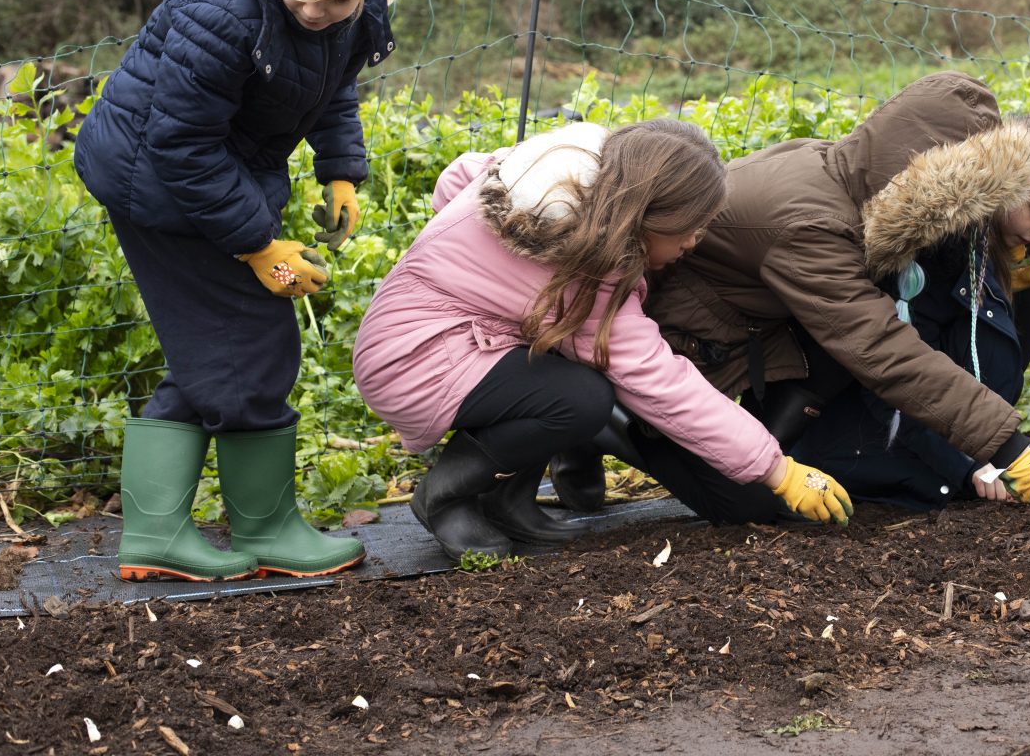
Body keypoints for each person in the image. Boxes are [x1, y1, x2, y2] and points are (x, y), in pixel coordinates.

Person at [74, 0, 400, 582]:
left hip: (218, 174)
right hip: (154, 181)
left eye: (339, 0)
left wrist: (340, 169)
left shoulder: (355, 10)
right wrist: (258, 243)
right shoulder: (218, 10)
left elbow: (332, 89)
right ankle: (268, 529)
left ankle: (156, 535)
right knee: (252, 339)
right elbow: (180, 147)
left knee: (213, 349)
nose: (316, 11)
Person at [553, 72, 1030, 517]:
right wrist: (1004, 444)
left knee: (776, 463)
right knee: (746, 505)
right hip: (677, 345)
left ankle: (681, 435)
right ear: (928, 173)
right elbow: (878, 346)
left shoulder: (838, 173)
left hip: (749, 337)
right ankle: (611, 423)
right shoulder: (812, 223)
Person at [351, 119, 853, 562]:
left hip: (434, 334)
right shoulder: (581, 269)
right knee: (581, 399)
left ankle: (506, 500)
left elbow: (458, 177)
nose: (694, 243)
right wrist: (777, 471)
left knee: (565, 367)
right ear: (649, 216)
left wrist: (467, 271)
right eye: (689, 229)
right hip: (413, 359)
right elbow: (660, 382)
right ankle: (444, 499)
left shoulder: (543, 182)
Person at [788, 109, 1030, 511]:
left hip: (955, 447)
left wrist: (990, 453)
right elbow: (895, 380)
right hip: (874, 447)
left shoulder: (1018, 264)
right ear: (1008, 181)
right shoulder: (934, 257)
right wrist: (971, 463)